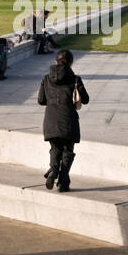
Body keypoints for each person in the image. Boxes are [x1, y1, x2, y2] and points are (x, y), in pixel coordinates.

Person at [37, 48, 89, 192]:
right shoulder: (75, 79)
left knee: (55, 148)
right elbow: (85, 100)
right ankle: (63, 182)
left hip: (51, 120)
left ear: (56, 61)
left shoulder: (46, 79)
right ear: (71, 63)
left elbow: (41, 100)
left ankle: (54, 170)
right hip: (68, 120)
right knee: (68, 151)